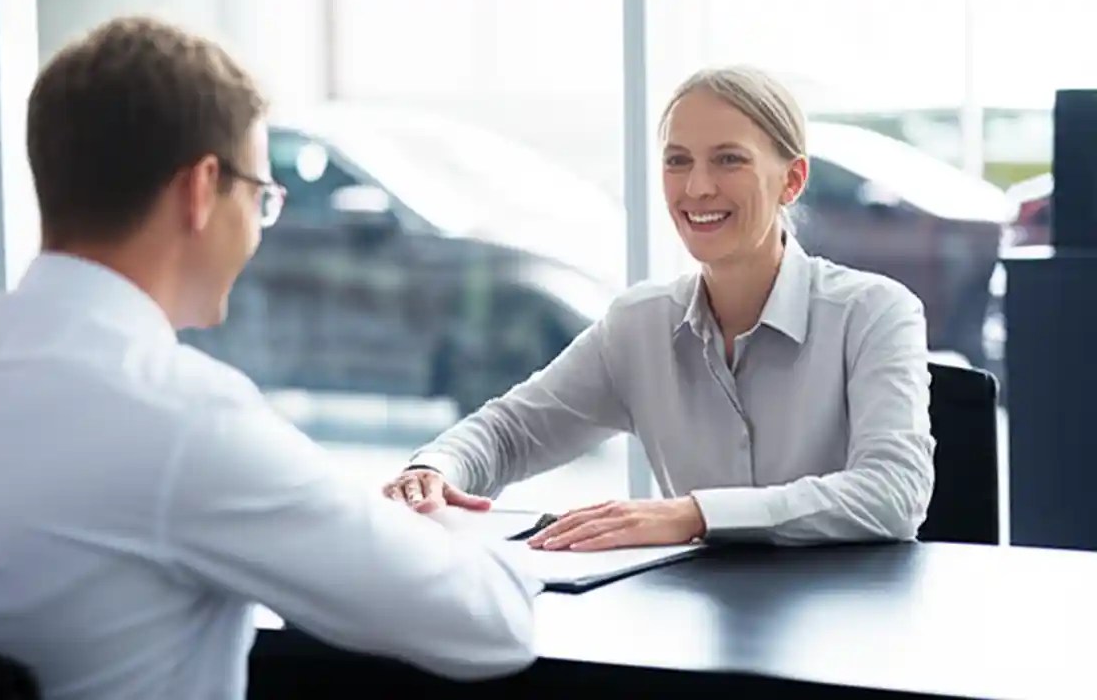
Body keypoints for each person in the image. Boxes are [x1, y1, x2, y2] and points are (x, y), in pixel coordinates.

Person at [0, 16, 540, 700]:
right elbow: (490, 627)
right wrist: (448, 521)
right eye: (260, 197)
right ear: (202, 190)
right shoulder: (179, 418)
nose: (259, 231)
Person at [383, 65, 936, 550]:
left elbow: (893, 491)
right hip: (690, 635)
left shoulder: (876, 313)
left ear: (791, 180)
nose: (697, 187)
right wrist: (434, 469)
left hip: (851, 636)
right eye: (678, 161)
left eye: (728, 160)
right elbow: (510, 433)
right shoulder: (639, 325)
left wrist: (694, 515)